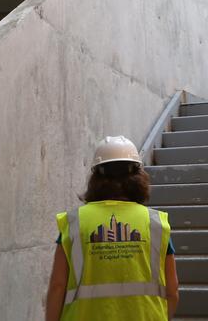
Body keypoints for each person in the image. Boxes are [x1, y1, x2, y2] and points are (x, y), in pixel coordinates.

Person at [45, 135, 179, 320]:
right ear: (138, 175)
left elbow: (57, 287)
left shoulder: (75, 222)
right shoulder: (155, 224)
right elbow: (172, 291)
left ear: (96, 177)